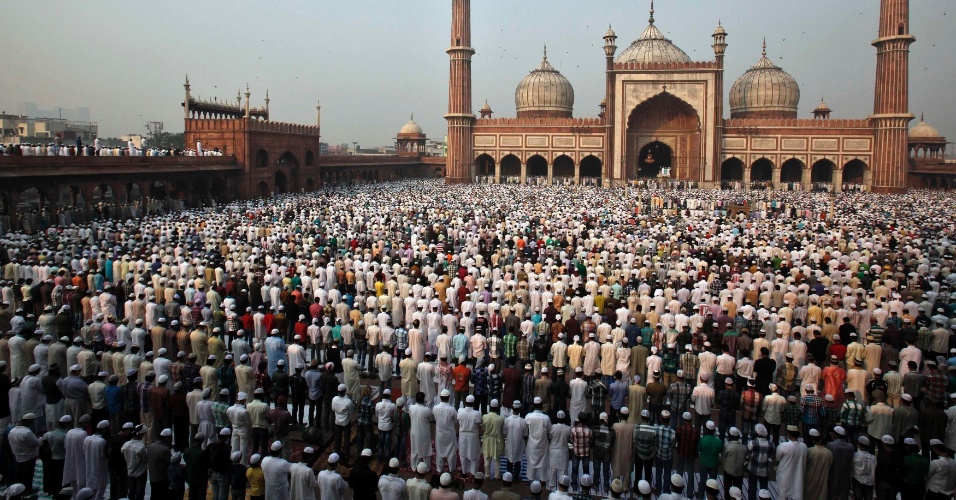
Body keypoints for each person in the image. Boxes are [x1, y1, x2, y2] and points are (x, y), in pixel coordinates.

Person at [122, 426, 149, 500]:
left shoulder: (125, 445)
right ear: (142, 434)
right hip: (140, 472)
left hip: (130, 470)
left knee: (131, 490)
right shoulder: (141, 447)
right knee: (139, 491)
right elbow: (146, 458)